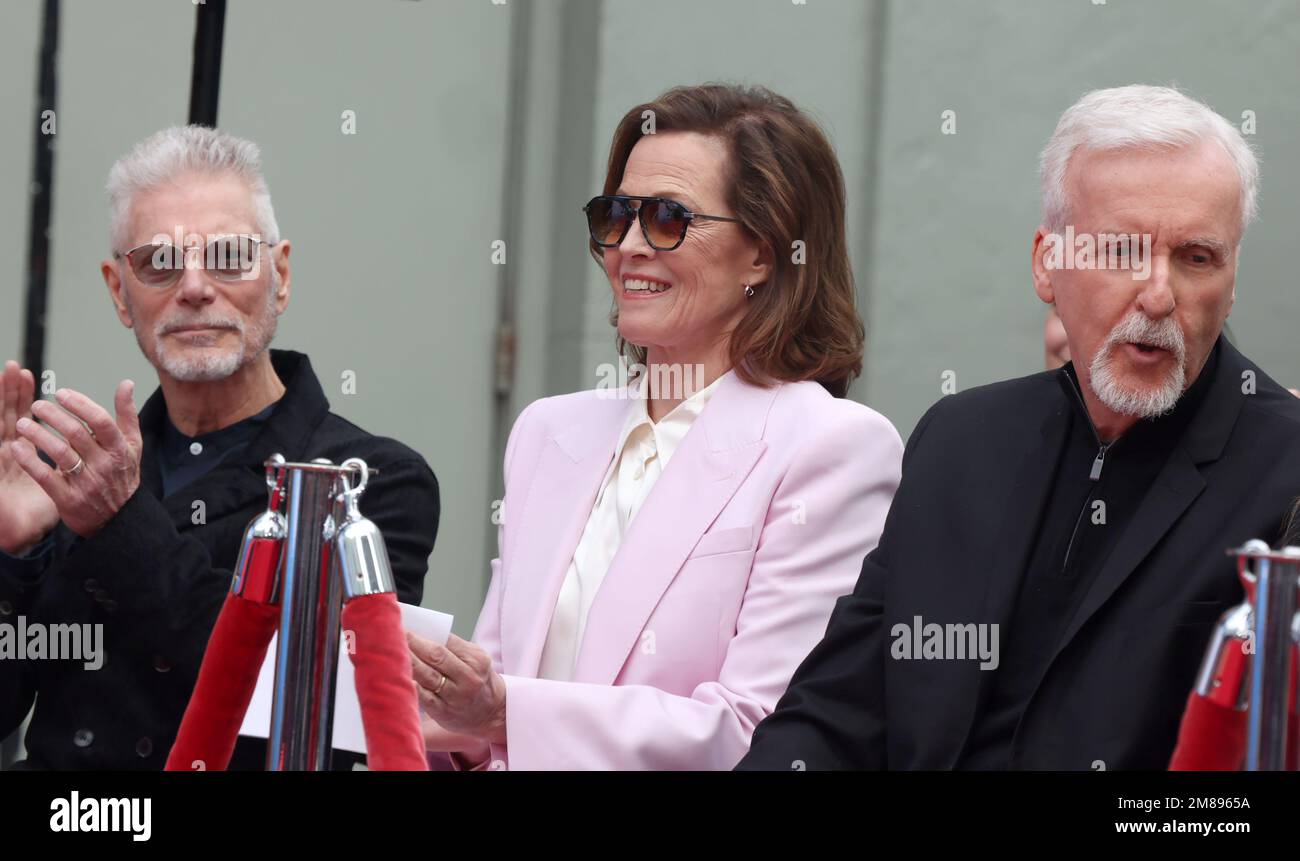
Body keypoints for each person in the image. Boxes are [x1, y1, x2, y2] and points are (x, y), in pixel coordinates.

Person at [739, 85, 1300, 770]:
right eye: (1122, 251)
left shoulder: (1285, 472)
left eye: (1197, 258)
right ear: (1047, 262)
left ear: (1232, 279)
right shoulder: (961, 441)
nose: (1159, 294)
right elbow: (835, 712)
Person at [408, 84, 902, 770]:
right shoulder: (549, 430)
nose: (630, 246)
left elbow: (762, 728)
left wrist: (500, 711)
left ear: (763, 255)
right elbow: (493, 691)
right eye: (616, 215)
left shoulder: (831, 446)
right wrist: (435, 709)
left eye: (669, 218)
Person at [0, 126, 440, 770]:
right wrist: (10, 553)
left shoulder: (370, 480)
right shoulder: (73, 473)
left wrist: (122, 524)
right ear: (120, 292)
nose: (196, 287)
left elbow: (308, 702)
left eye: (230, 255)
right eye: (158, 262)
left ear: (280, 275)